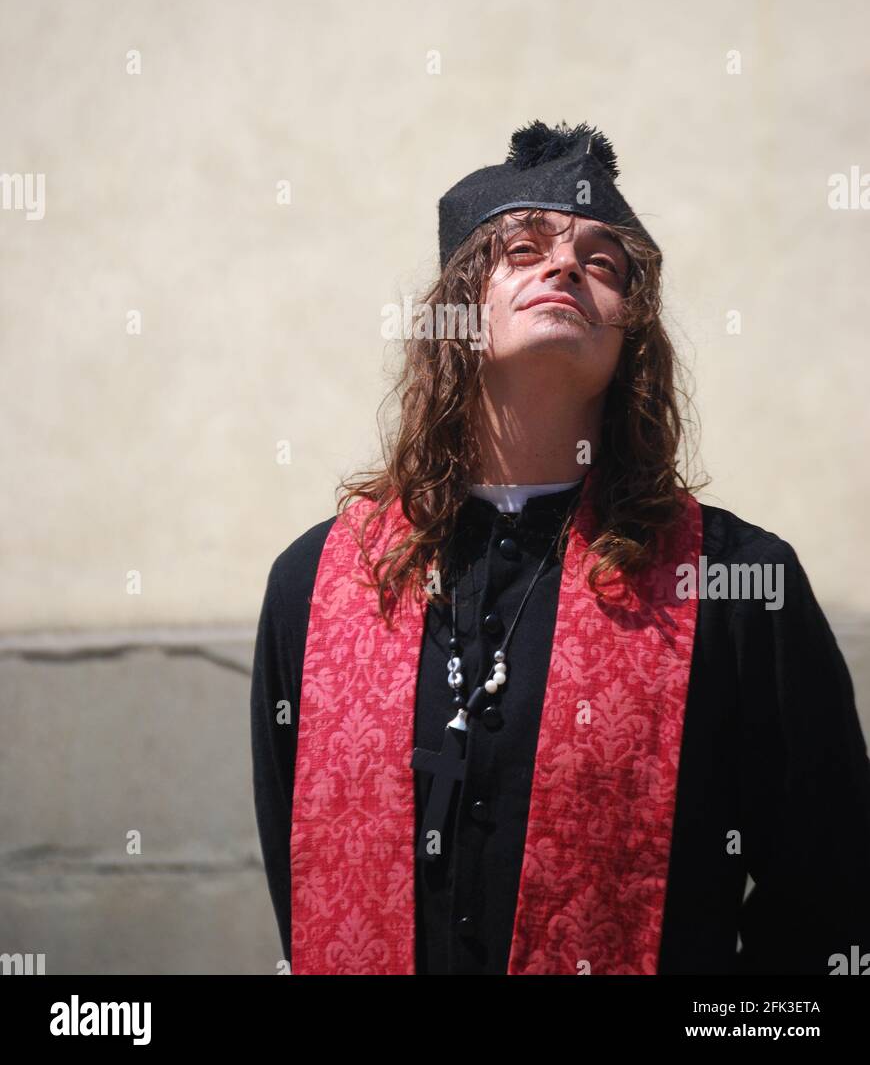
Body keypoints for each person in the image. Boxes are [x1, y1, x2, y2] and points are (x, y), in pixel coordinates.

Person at [250, 118, 870, 975]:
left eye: (601, 261)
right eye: (523, 248)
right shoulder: (313, 586)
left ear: (631, 336)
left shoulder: (735, 583)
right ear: (460, 310)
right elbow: (301, 885)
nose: (566, 265)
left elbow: (832, 895)